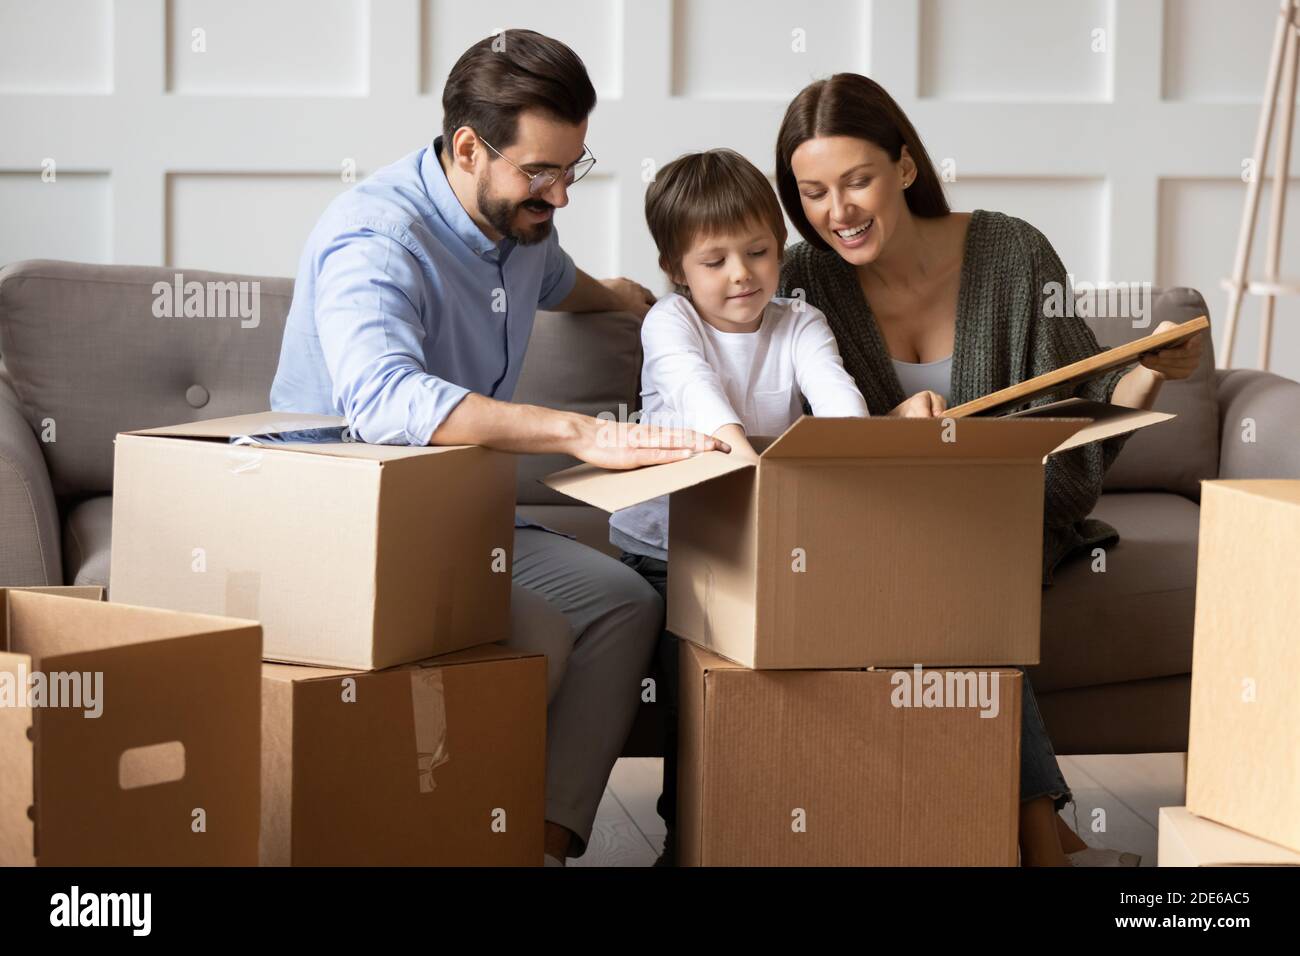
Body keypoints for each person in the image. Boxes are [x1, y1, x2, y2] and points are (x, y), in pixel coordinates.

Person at [269, 29, 727, 867]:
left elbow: (561, 279)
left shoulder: (521, 229)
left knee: (625, 602)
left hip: (458, 518)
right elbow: (382, 399)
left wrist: (632, 300)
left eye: (572, 168)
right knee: (539, 632)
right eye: (540, 173)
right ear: (469, 148)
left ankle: (538, 843)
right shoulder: (375, 242)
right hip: (342, 525)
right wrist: (583, 430)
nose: (559, 196)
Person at [773, 73, 1202, 866]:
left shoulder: (1010, 250)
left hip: (1005, 514)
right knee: (926, 563)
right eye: (813, 192)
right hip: (879, 527)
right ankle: (1050, 841)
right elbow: (781, 424)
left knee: (949, 562)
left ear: (905, 167)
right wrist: (884, 436)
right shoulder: (804, 277)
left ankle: (1036, 840)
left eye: (858, 180)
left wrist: (1158, 369)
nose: (839, 212)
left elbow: (1088, 404)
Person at [611, 148, 868, 865]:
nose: (741, 275)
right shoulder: (670, 324)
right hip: (664, 547)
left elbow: (837, 398)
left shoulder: (800, 324)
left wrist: (847, 457)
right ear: (676, 269)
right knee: (692, 679)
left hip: (757, 539)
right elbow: (698, 395)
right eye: (715, 260)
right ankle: (685, 834)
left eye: (757, 252)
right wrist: (744, 459)